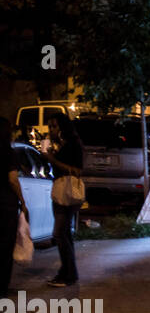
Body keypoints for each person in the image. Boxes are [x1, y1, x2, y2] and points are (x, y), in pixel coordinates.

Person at [44, 113, 84, 287]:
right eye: (49, 126)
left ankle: (67, 275)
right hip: (61, 190)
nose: (51, 130)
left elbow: (76, 170)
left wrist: (51, 158)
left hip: (67, 192)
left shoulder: (73, 144)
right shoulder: (63, 144)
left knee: (60, 233)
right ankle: (67, 272)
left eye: (54, 126)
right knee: (64, 233)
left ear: (62, 127)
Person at [0, 117, 27, 296]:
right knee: (4, 247)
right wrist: (23, 201)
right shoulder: (8, 152)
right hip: (5, 205)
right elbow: (12, 179)